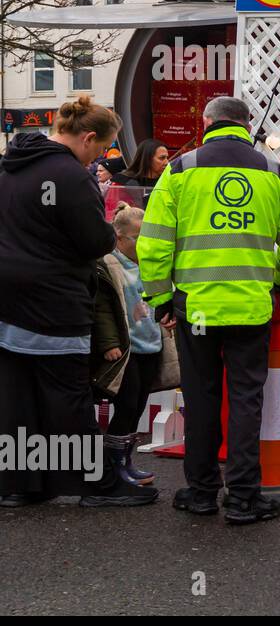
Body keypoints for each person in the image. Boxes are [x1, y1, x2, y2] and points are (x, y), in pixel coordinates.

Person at [139, 96, 280, 525]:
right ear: (245, 124)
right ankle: (243, 498)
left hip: (195, 310)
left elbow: (154, 242)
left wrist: (161, 298)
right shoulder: (274, 172)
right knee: (246, 401)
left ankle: (200, 494)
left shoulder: (179, 171)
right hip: (252, 309)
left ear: (208, 122)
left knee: (200, 400)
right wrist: (275, 279)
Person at [0, 97, 158, 508]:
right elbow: (93, 241)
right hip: (54, 300)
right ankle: (97, 484)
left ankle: (20, 484)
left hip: (8, 299)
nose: (98, 157)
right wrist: (108, 234)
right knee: (68, 397)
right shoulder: (69, 175)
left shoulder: (9, 165)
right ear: (87, 138)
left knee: (17, 396)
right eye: (99, 147)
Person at [92, 203, 166, 486]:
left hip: (151, 345)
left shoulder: (150, 263)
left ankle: (126, 460)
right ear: (120, 238)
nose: (144, 242)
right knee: (126, 405)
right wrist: (109, 343)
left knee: (138, 408)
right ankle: (113, 465)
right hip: (125, 351)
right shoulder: (108, 265)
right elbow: (101, 309)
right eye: (138, 237)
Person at [105, 138, 169, 214]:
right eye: (162, 158)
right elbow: (111, 212)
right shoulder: (122, 182)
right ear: (147, 159)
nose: (166, 162)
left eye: (167, 158)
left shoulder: (169, 182)